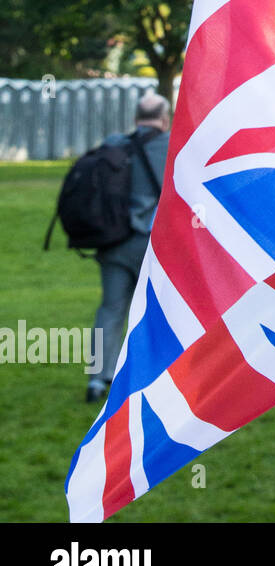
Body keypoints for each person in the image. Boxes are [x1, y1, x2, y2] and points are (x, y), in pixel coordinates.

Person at [86, 91, 169, 402]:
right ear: (164, 119)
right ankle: (150, 382)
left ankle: (97, 380)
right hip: (152, 246)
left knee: (109, 310)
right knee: (155, 312)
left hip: (113, 243)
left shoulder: (114, 146)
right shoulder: (174, 147)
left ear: (136, 119)